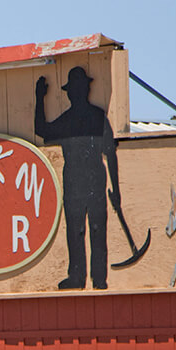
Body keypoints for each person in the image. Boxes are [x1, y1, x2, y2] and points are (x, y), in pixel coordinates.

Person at [35, 66, 122, 290]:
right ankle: (90, 277)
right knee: (86, 230)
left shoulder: (86, 118)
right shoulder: (86, 118)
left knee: (86, 230)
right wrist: (116, 191)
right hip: (82, 184)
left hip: (85, 184)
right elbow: (42, 131)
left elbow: (110, 152)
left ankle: (89, 277)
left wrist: (39, 98)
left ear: (78, 92)